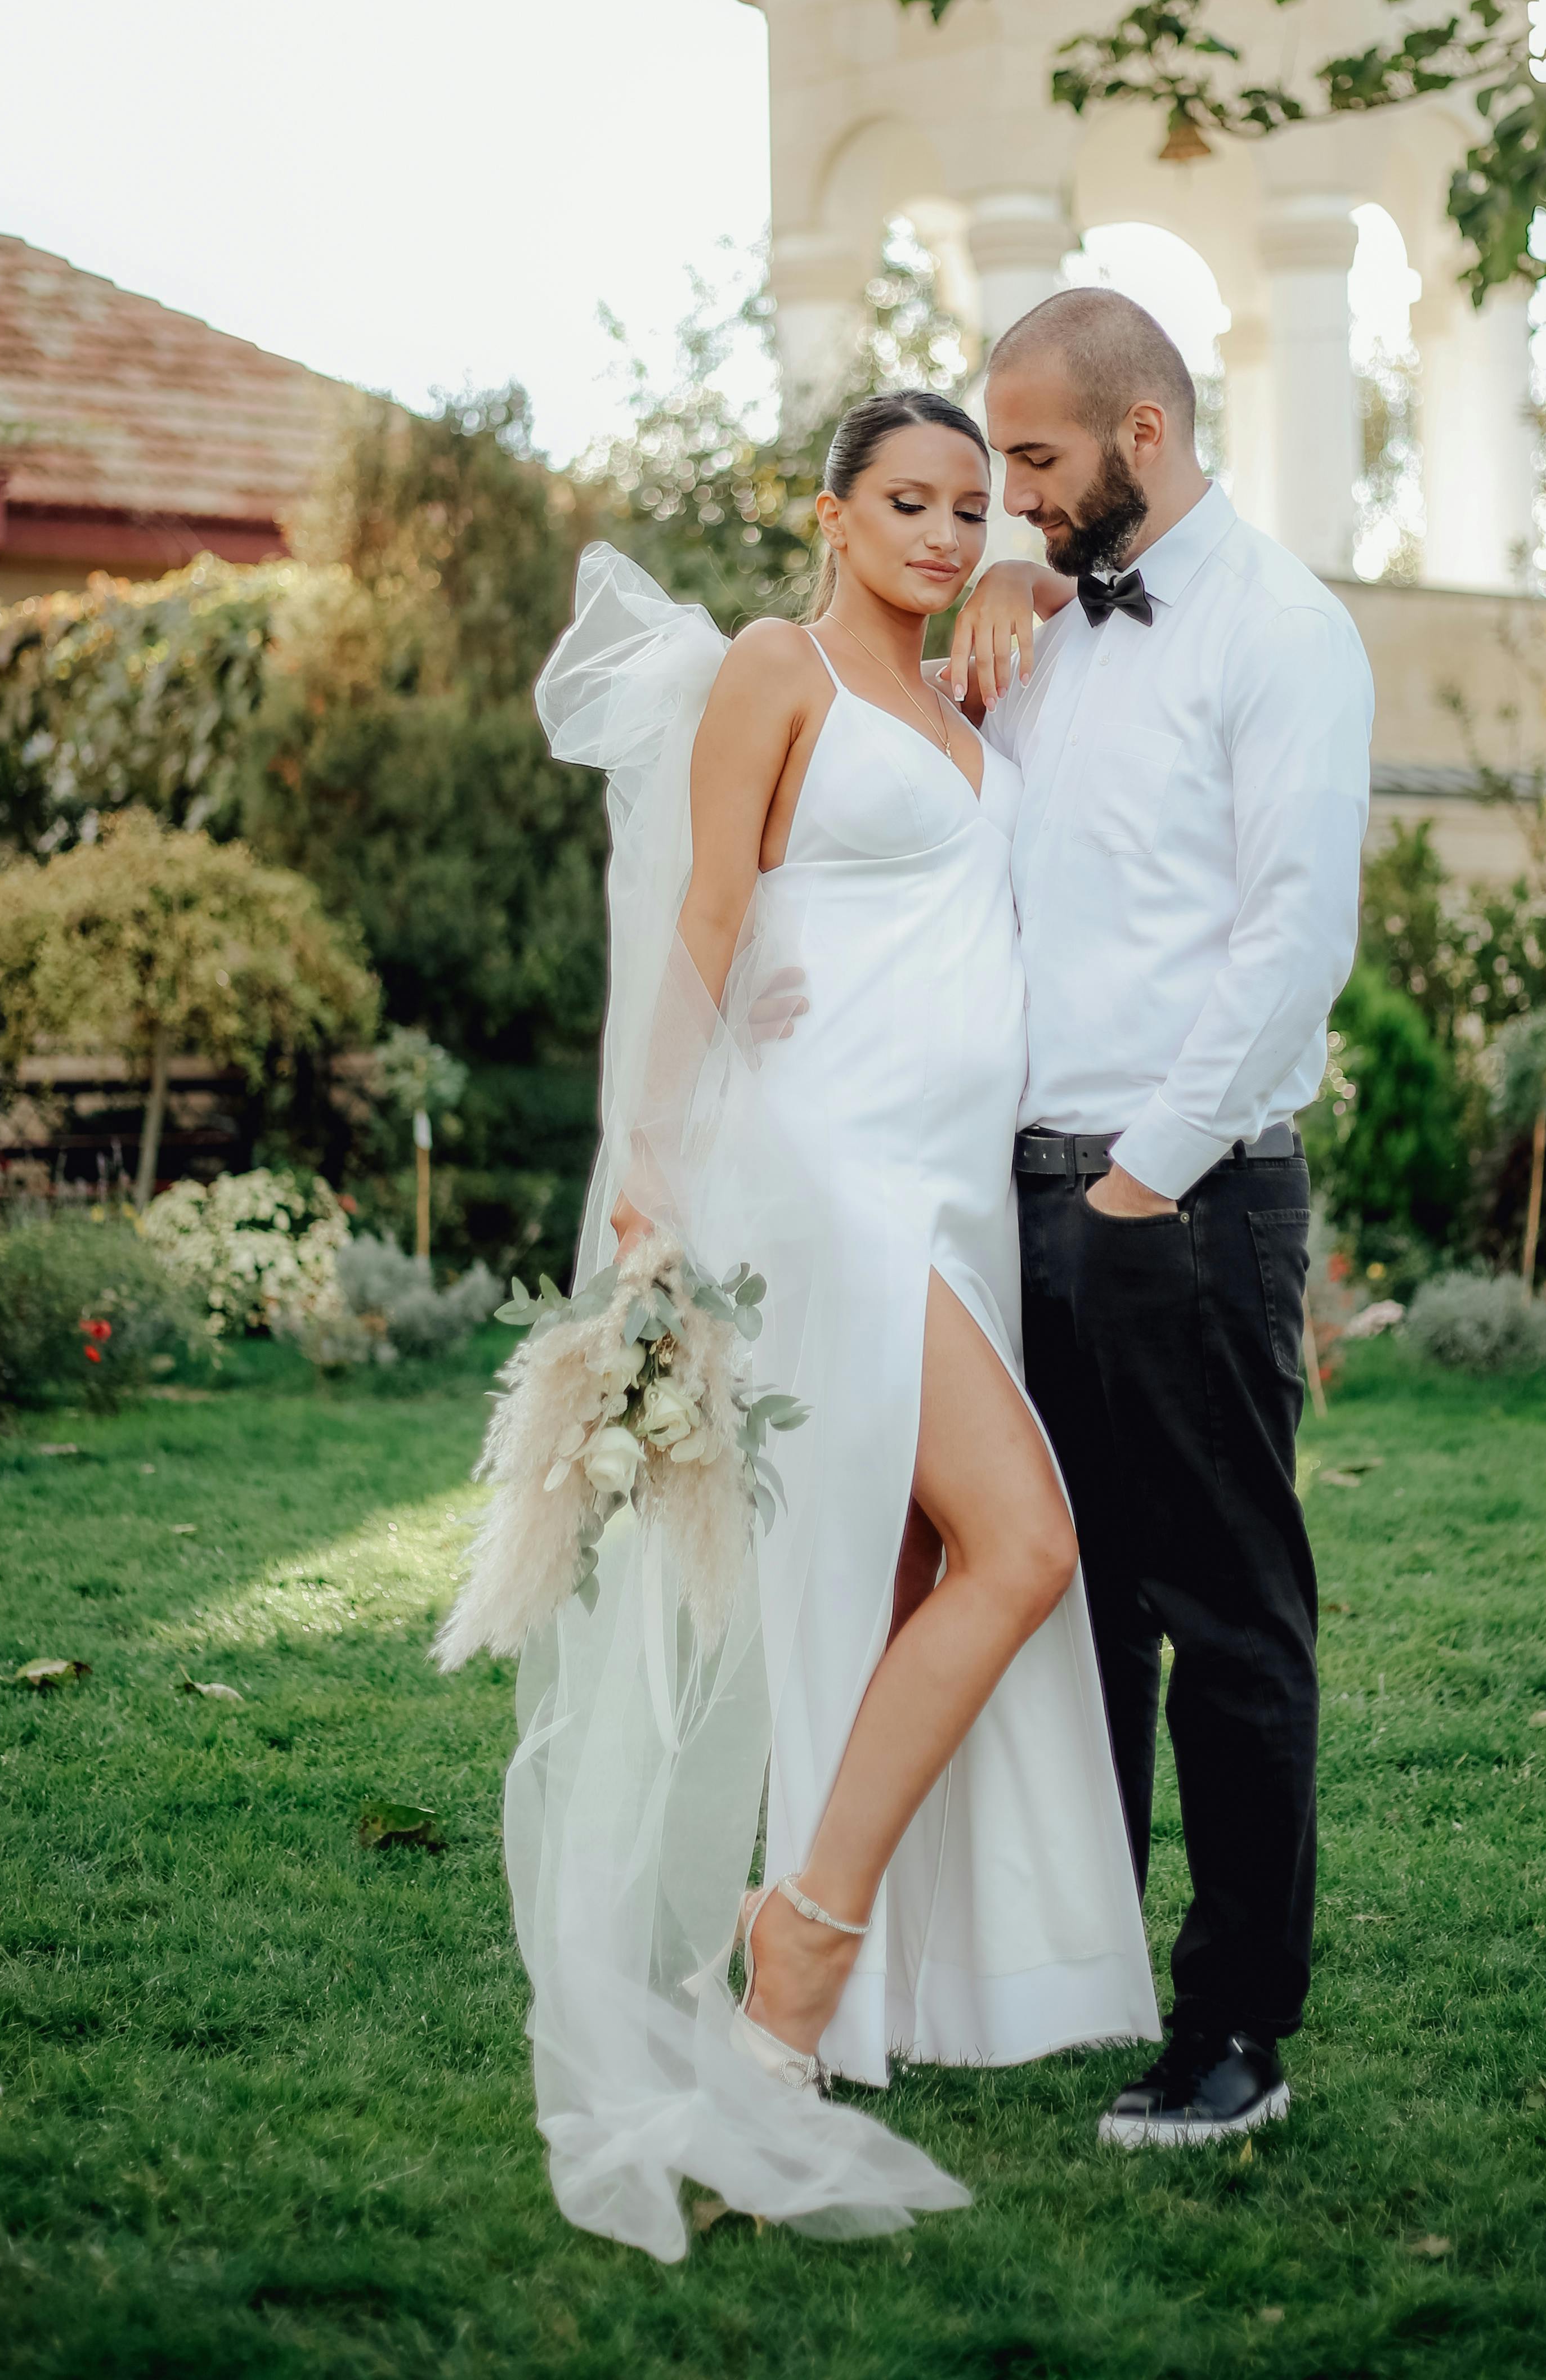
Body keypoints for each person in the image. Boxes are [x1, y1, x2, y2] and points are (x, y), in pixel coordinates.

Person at [489, 387, 1157, 2262]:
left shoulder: (974, 701)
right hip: (829, 1179)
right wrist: (650, 1178)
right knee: (1024, 1547)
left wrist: (1028, 554)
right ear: (834, 512)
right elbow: (710, 918)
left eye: (970, 508)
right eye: (912, 505)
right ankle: (798, 1956)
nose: (947, 535)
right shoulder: (776, 670)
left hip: (957, 1189)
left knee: (905, 1572)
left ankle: (834, 1988)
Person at [944, 286, 1374, 2150]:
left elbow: (1293, 950)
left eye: (1032, 461)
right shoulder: (1041, 633)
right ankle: (1088, 1970)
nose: (1006, 499)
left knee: (1226, 1615)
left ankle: (1235, 2035)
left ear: (1142, 434)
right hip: (1023, 1192)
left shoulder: (1281, 630)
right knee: (1075, 1617)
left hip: (1180, 1200)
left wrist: (1142, 1181)